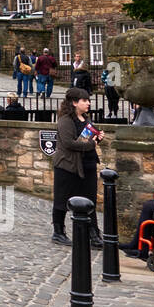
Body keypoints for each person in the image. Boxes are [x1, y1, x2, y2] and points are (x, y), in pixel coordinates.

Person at [52, 87, 104, 247]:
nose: (88, 103)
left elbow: (86, 139)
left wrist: (97, 138)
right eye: (85, 100)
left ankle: (93, 233)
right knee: (62, 200)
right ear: (74, 102)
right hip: (67, 165)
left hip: (87, 164)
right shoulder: (65, 120)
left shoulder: (85, 118)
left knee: (89, 201)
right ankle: (58, 232)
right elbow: (69, 143)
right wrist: (91, 144)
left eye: (88, 100)